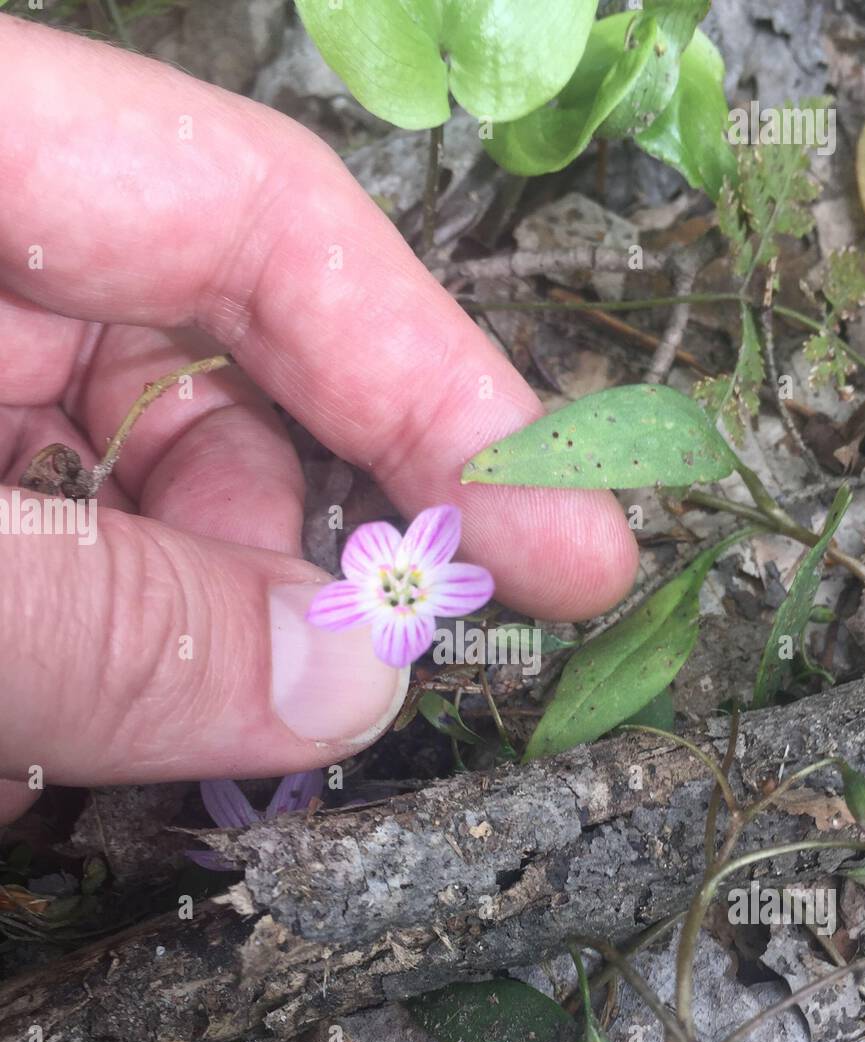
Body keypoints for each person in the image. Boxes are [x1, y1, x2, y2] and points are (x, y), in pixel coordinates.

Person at [0, 14, 637, 828]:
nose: (404, 580)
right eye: (402, 581)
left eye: (405, 585)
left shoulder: (421, 577)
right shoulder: (380, 574)